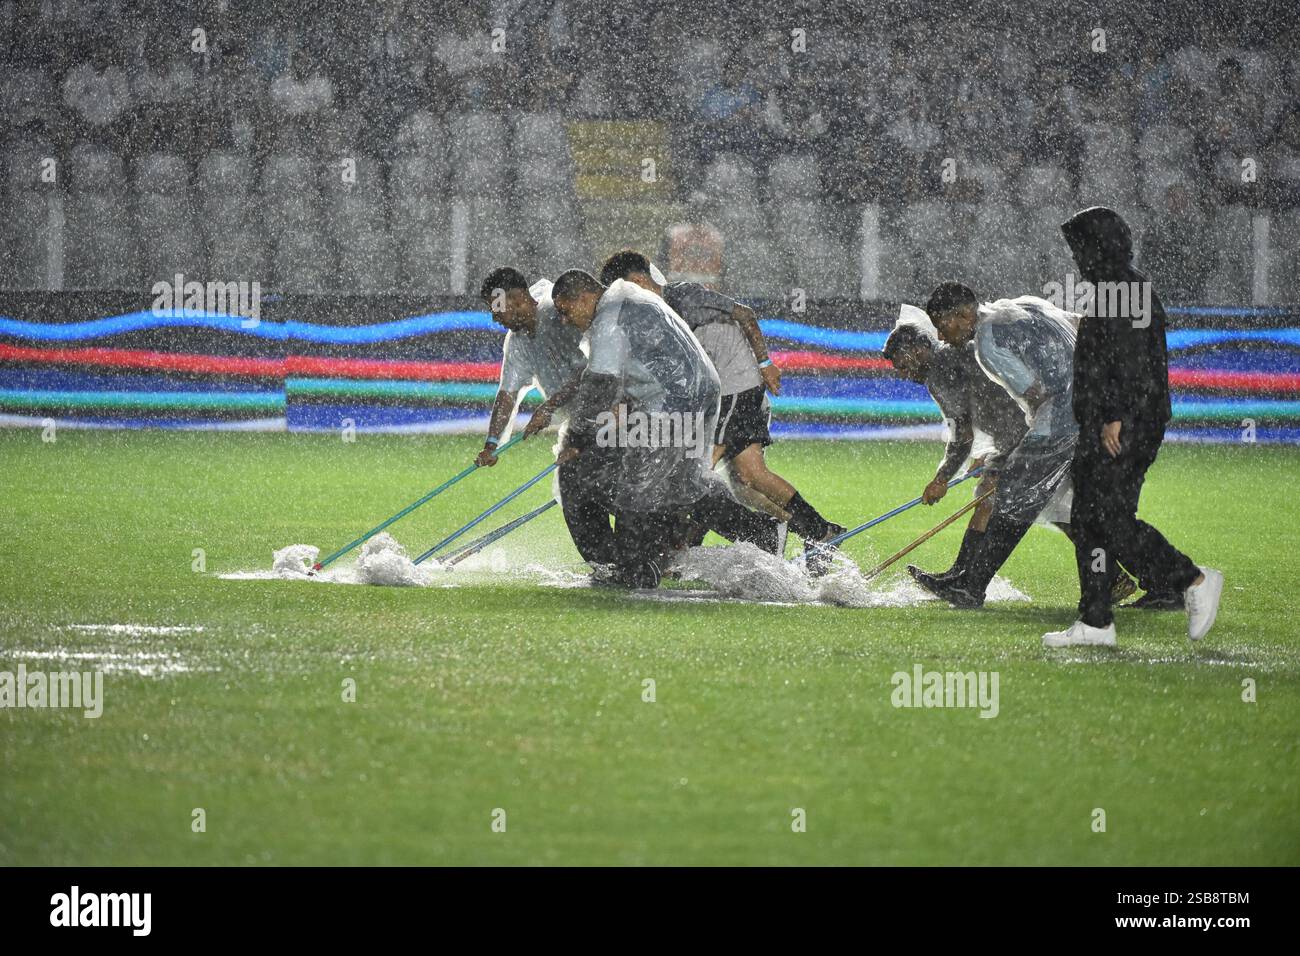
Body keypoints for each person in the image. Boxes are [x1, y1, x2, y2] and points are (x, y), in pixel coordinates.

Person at [1046, 207, 1223, 648]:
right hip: (1113, 422)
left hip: (1124, 424)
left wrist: (1115, 416)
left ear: (1098, 246)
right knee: (1090, 521)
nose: (1076, 258)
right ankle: (1095, 622)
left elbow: (1126, 361)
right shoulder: (1121, 287)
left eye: (1079, 247)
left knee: (1107, 519)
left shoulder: (1122, 289)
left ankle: (1193, 579)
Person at [597, 250, 843, 566]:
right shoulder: (650, 315)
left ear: (639, 281)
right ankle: (814, 532)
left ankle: (681, 546)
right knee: (746, 481)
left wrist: (765, 363)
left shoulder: (683, 296)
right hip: (718, 390)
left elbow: (745, 313)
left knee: (697, 470)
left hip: (733, 383)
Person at [550, 270, 780, 588]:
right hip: (696, 394)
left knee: (626, 481)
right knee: (683, 486)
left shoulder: (609, 317)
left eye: (564, 311)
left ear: (585, 297)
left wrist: (575, 438)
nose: (563, 320)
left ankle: (633, 566)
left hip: (674, 404)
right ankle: (757, 530)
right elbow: (640, 363)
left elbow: (600, 381)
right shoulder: (626, 297)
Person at [916, 283, 1130, 609]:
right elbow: (1081, 324)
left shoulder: (986, 346)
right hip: (1094, 406)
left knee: (1016, 496)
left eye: (941, 325)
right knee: (1066, 504)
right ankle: (1137, 578)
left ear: (961, 314)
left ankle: (971, 586)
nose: (941, 337)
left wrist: (1026, 448)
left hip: (1062, 417)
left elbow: (1036, 393)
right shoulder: (1025, 304)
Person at [476, 267, 616, 569]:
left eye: (495, 306)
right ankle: (607, 562)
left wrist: (550, 405)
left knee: (602, 486)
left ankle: (629, 557)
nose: (493, 317)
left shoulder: (559, 312)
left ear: (515, 298)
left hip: (612, 414)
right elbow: (507, 395)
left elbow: (596, 366)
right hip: (579, 424)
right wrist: (491, 444)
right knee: (575, 487)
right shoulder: (516, 343)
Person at [882, 304, 1027, 583]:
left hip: (1029, 433)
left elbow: (962, 436)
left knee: (1048, 505)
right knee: (993, 498)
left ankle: (964, 577)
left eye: (901, 364)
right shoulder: (947, 363)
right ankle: (961, 575)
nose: (901, 373)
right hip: (1018, 435)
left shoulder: (943, 370)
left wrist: (941, 478)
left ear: (918, 350)